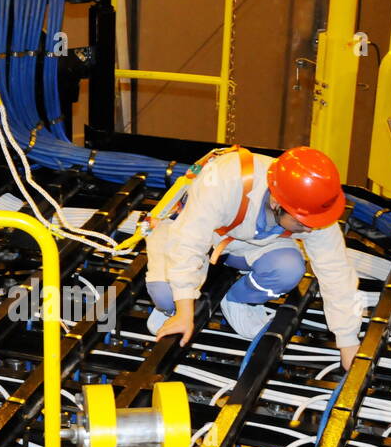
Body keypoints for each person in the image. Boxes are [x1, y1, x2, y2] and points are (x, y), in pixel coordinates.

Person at [145, 145, 364, 370]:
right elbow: (187, 242)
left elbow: (335, 269)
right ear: (277, 204)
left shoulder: (311, 207)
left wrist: (348, 341)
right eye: (301, 224)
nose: (308, 231)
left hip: (245, 243)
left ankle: (238, 299)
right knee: (166, 295)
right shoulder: (229, 179)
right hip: (192, 231)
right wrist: (184, 311)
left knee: (287, 269)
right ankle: (168, 311)